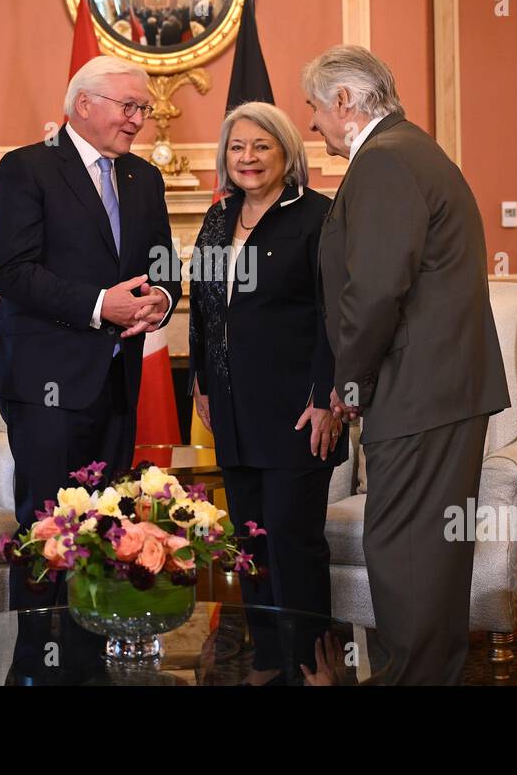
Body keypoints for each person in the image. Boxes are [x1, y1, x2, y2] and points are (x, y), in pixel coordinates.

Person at [304, 45, 509, 685]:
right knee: (428, 558)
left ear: (343, 102)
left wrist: (347, 385)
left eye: (314, 107)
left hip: (420, 392)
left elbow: (374, 291)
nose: (311, 124)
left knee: (407, 557)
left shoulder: (386, 162)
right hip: (438, 391)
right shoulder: (411, 149)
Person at [0, 55, 182, 610]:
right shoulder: (26, 168)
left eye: (143, 108)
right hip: (46, 380)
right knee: (48, 530)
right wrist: (101, 305)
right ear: (84, 104)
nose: (138, 119)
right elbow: (14, 272)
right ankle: (37, 660)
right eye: (130, 106)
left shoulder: (144, 177)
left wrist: (160, 300)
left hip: (117, 379)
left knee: (105, 528)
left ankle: (90, 652)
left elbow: (163, 262)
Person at [189, 101, 346, 684]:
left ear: (287, 154)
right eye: (236, 147)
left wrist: (329, 396)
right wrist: (199, 379)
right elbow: (204, 308)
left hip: (300, 410)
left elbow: (337, 314)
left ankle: (312, 665)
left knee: (291, 538)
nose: (247, 158)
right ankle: (270, 662)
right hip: (231, 407)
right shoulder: (217, 218)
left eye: (261, 146)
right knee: (250, 542)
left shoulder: (318, 216)